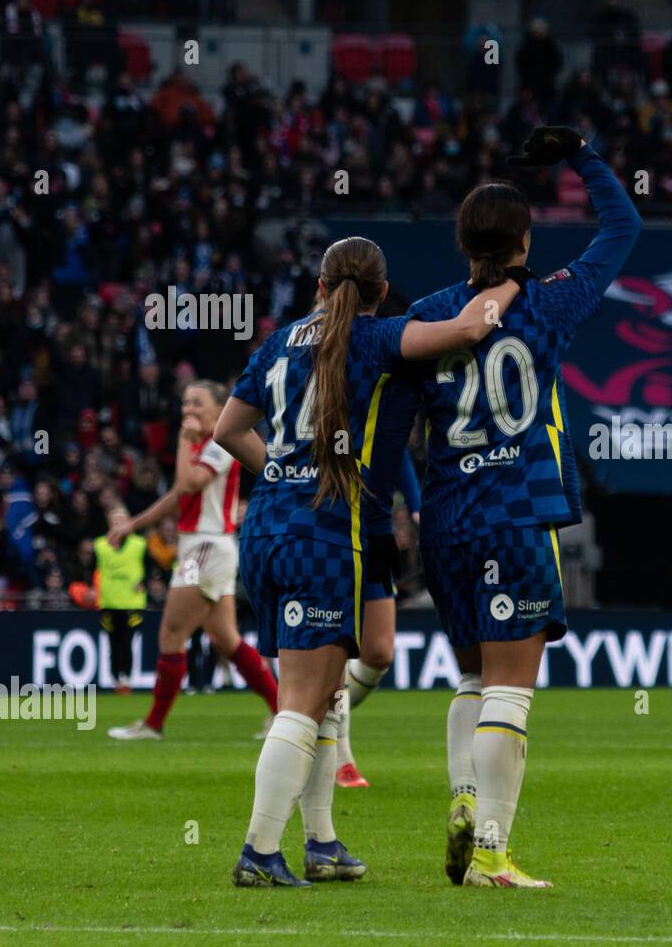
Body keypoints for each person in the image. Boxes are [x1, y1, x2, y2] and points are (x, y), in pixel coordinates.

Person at [214, 235, 520, 887]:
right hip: (324, 534)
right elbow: (469, 325)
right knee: (302, 699)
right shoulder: (377, 338)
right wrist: (518, 278)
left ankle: (321, 844)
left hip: (269, 525)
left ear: (320, 287)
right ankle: (258, 851)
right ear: (380, 293)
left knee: (332, 682)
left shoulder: (275, 343)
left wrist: (285, 472)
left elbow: (228, 430)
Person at [408, 126, 641, 888]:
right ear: (526, 239)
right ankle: (491, 851)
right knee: (512, 688)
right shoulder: (549, 300)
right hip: (515, 510)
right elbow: (624, 226)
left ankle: (465, 800)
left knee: (472, 678)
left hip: (444, 515)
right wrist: (583, 153)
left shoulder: (430, 314)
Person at [106, 381, 280, 740]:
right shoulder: (204, 445)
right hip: (205, 547)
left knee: (171, 633)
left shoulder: (221, 442)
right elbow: (176, 497)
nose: (188, 411)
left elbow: (187, 485)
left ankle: (153, 725)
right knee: (226, 639)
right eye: (185, 404)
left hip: (206, 548)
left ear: (220, 410)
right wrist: (132, 527)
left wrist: (184, 440)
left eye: (197, 405)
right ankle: (283, 712)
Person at [333, 450, 422, 789]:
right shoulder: (331, 400)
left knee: (379, 652)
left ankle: (307, 716)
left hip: (375, 528)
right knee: (336, 647)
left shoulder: (384, 399)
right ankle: (341, 760)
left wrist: (416, 503)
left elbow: (395, 448)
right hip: (332, 525)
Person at [94, 506, 148, 694]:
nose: (117, 524)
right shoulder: (100, 545)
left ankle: (126, 677)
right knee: (112, 642)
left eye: (120, 520)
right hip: (108, 601)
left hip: (132, 602)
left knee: (127, 641)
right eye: (113, 520)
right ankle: (116, 677)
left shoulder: (139, 544)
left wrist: (145, 582)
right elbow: (92, 569)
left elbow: (152, 568)